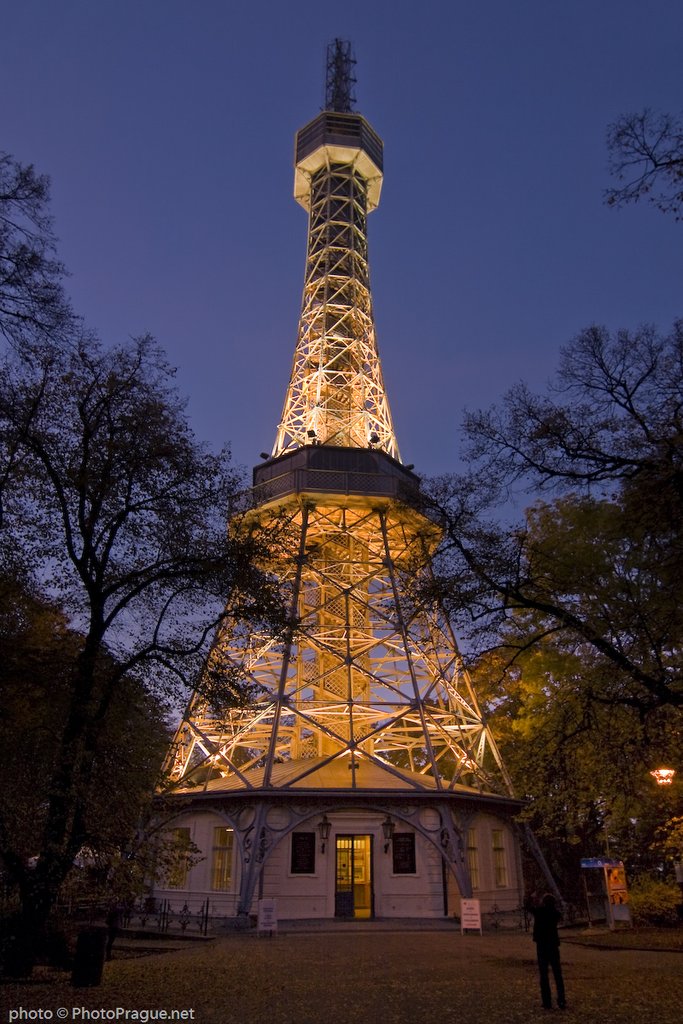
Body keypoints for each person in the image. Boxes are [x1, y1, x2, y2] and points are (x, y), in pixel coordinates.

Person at [530, 892, 566, 1010]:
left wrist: (533, 897)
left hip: (542, 945)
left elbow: (529, 907)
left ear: (544, 902)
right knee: (557, 974)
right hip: (553, 945)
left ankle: (547, 1001)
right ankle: (561, 1000)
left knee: (544, 974)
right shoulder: (555, 913)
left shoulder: (540, 912)